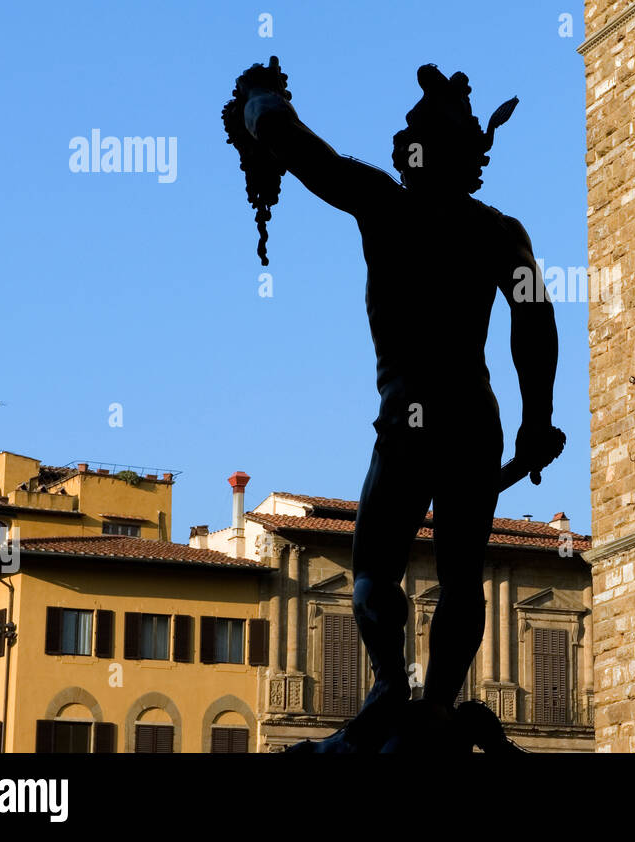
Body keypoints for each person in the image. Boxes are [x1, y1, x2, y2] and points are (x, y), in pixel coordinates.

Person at [240, 64, 562, 748]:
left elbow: (298, 148)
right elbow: (534, 317)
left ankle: (392, 682)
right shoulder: (498, 231)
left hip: (409, 424)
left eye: (414, 132)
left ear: (432, 153)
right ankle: (439, 700)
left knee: (373, 569)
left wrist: (259, 99)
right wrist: (536, 417)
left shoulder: (384, 204)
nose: (402, 140)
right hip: (475, 424)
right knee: (462, 576)